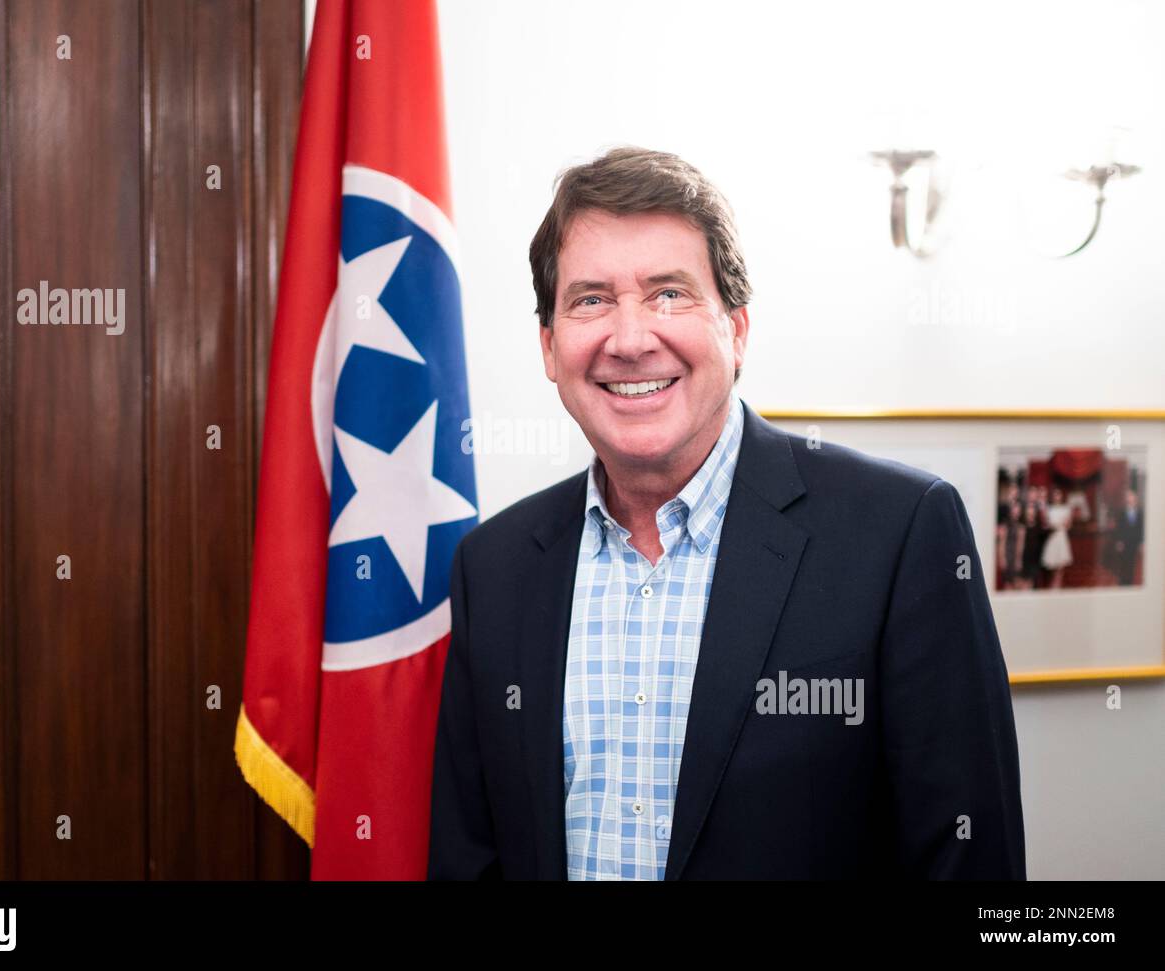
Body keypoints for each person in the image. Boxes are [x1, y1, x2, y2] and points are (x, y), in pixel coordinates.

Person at [428, 147, 1025, 880]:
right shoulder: (495, 567)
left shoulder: (900, 534)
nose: (629, 337)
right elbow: (467, 860)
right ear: (550, 345)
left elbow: (967, 863)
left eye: (669, 293)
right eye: (590, 299)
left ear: (737, 330)